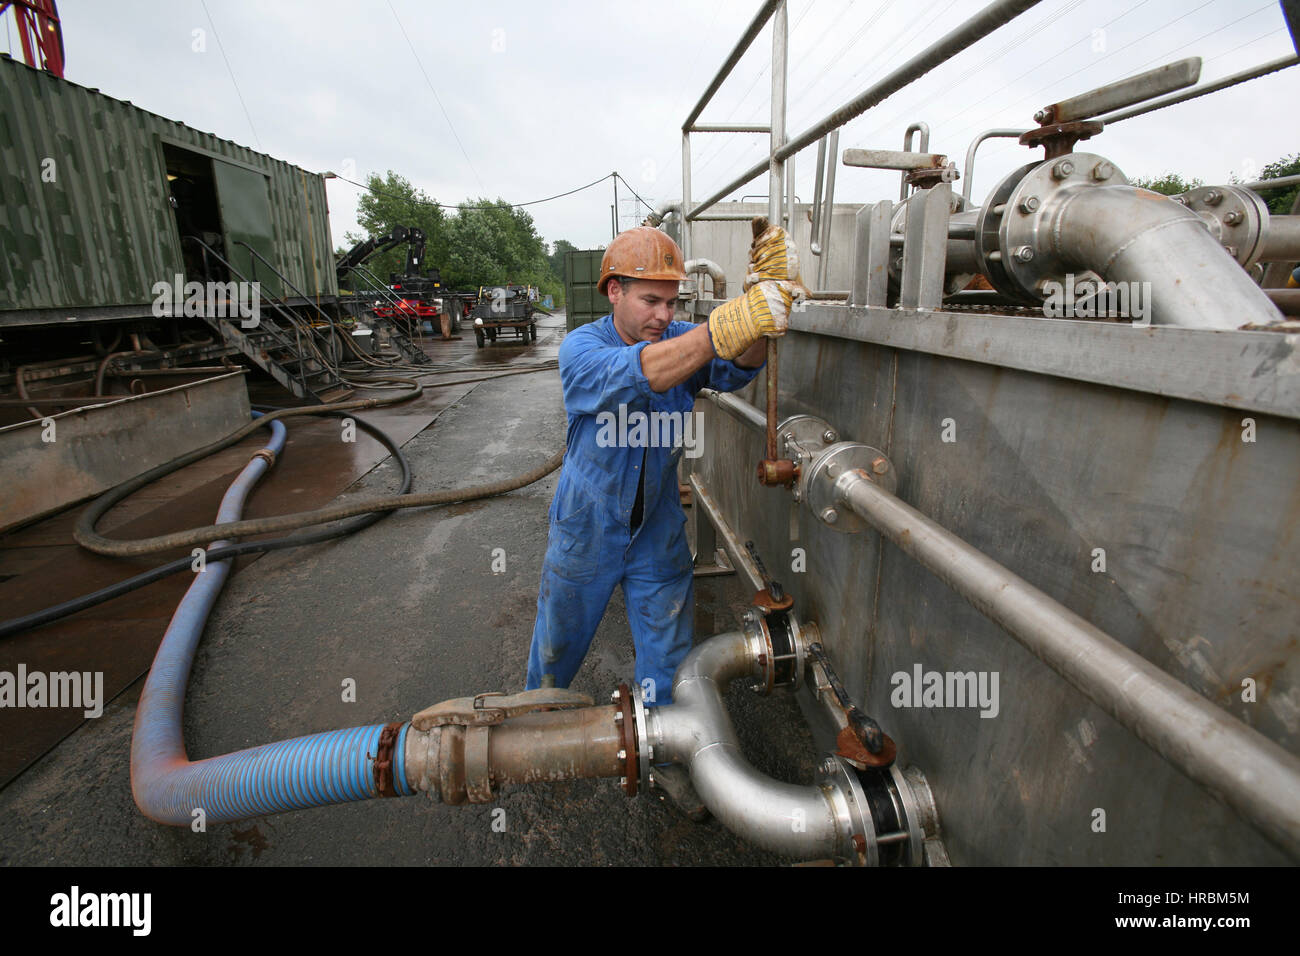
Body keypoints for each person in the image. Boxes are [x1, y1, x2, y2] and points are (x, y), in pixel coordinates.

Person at [524, 221, 801, 707]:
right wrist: (726, 326)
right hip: (587, 525)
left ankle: (666, 753)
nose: (663, 314)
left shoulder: (680, 336)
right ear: (614, 291)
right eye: (650, 301)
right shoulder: (581, 348)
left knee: (668, 661)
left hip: (657, 525)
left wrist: (763, 310)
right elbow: (644, 371)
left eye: (671, 302)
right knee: (555, 649)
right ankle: (528, 732)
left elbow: (737, 366)